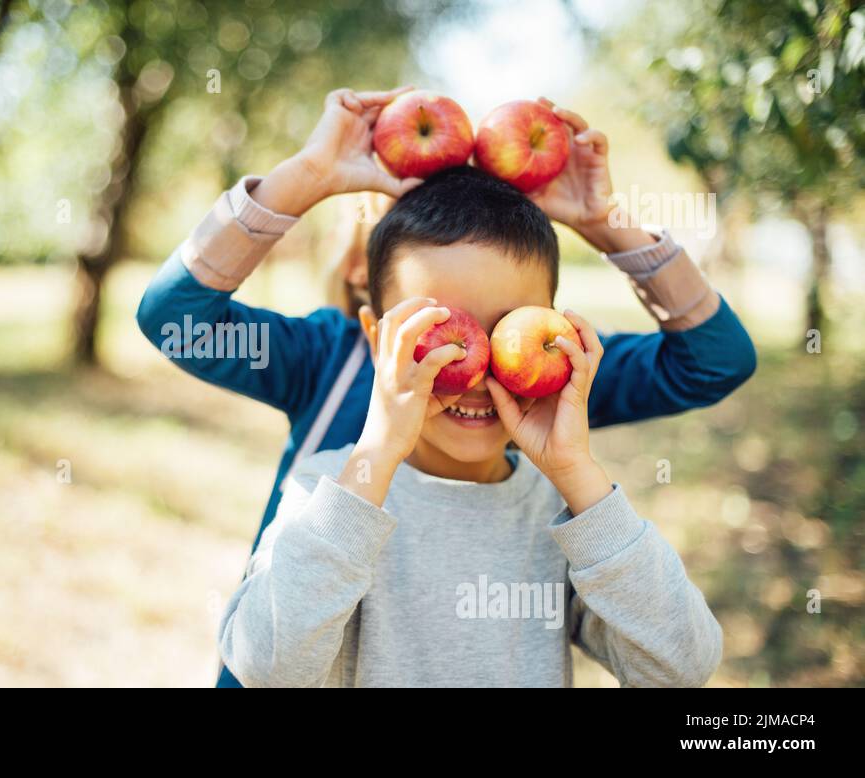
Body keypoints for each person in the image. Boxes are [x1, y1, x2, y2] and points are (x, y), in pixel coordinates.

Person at [134, 87, 753, 687]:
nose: (476, 367)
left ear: (551, 328)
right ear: (375, 335)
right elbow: (175, 321)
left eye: (510, 329)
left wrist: (607, 223)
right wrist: (308, 177)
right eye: (437, 328)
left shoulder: (557, 450)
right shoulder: (328, 395)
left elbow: (681, 667)